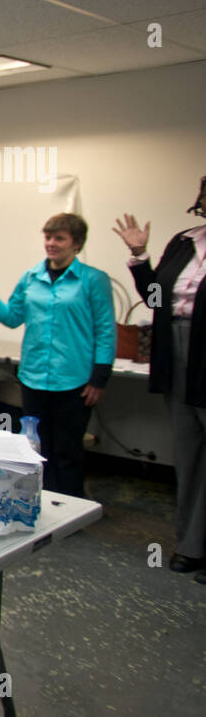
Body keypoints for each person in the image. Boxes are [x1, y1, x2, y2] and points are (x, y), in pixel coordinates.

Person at [0, 213, 115, 498]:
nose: (51, 243)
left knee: (68, 451)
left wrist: (99, 378)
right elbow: (13, 317)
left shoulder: (93, 280)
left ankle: (70, 508)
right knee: (36, 449)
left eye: (59, 238)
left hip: (74, 381)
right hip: (33, 378)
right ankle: (39, 505)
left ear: (76, 244)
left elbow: (105, 330)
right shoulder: (31, 278)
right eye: (48, 237)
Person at [113, 178, 206, 583]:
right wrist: (139, 255)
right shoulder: (185, 241)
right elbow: (154, 299)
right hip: (179, 354)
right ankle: (192, 546)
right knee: (189, 456)